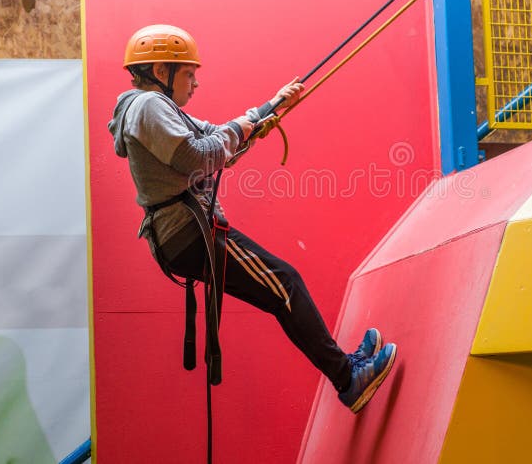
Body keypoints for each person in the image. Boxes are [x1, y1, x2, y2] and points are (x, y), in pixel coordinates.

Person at [108, 24, 397, 414]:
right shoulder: (148, 107)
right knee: (285, 284)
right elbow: (198, 156)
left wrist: (270, 107)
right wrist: (241, 130)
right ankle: (348, 378)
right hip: (188, 234)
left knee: (282, 285)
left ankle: (347, 369)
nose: (195, 84)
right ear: (162, 72)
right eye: (189, 74)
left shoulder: (158, 109)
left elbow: (213, 135)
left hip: (185, 234)